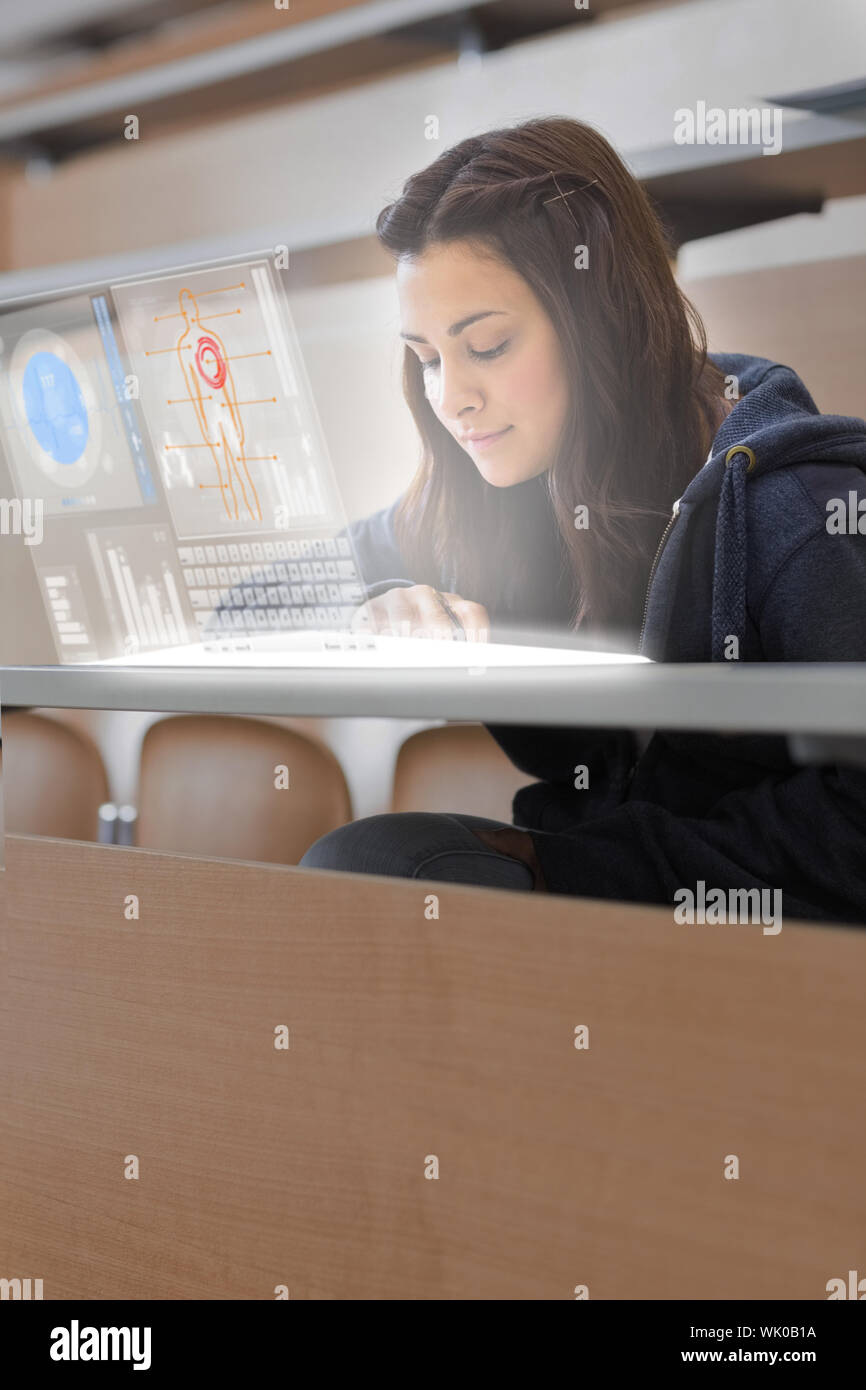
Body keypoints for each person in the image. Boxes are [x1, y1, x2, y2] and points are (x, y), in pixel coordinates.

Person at [299, 115, 866, 924]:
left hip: (778, 961)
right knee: (357, 872)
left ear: (599, 318)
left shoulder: (799, 514)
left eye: (487, 346)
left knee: (375, 868)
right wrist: (379, 598)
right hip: (622, 918)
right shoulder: (492, 493)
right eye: (426, 358)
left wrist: (578, 866)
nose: (450, 396)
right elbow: (262, 593)